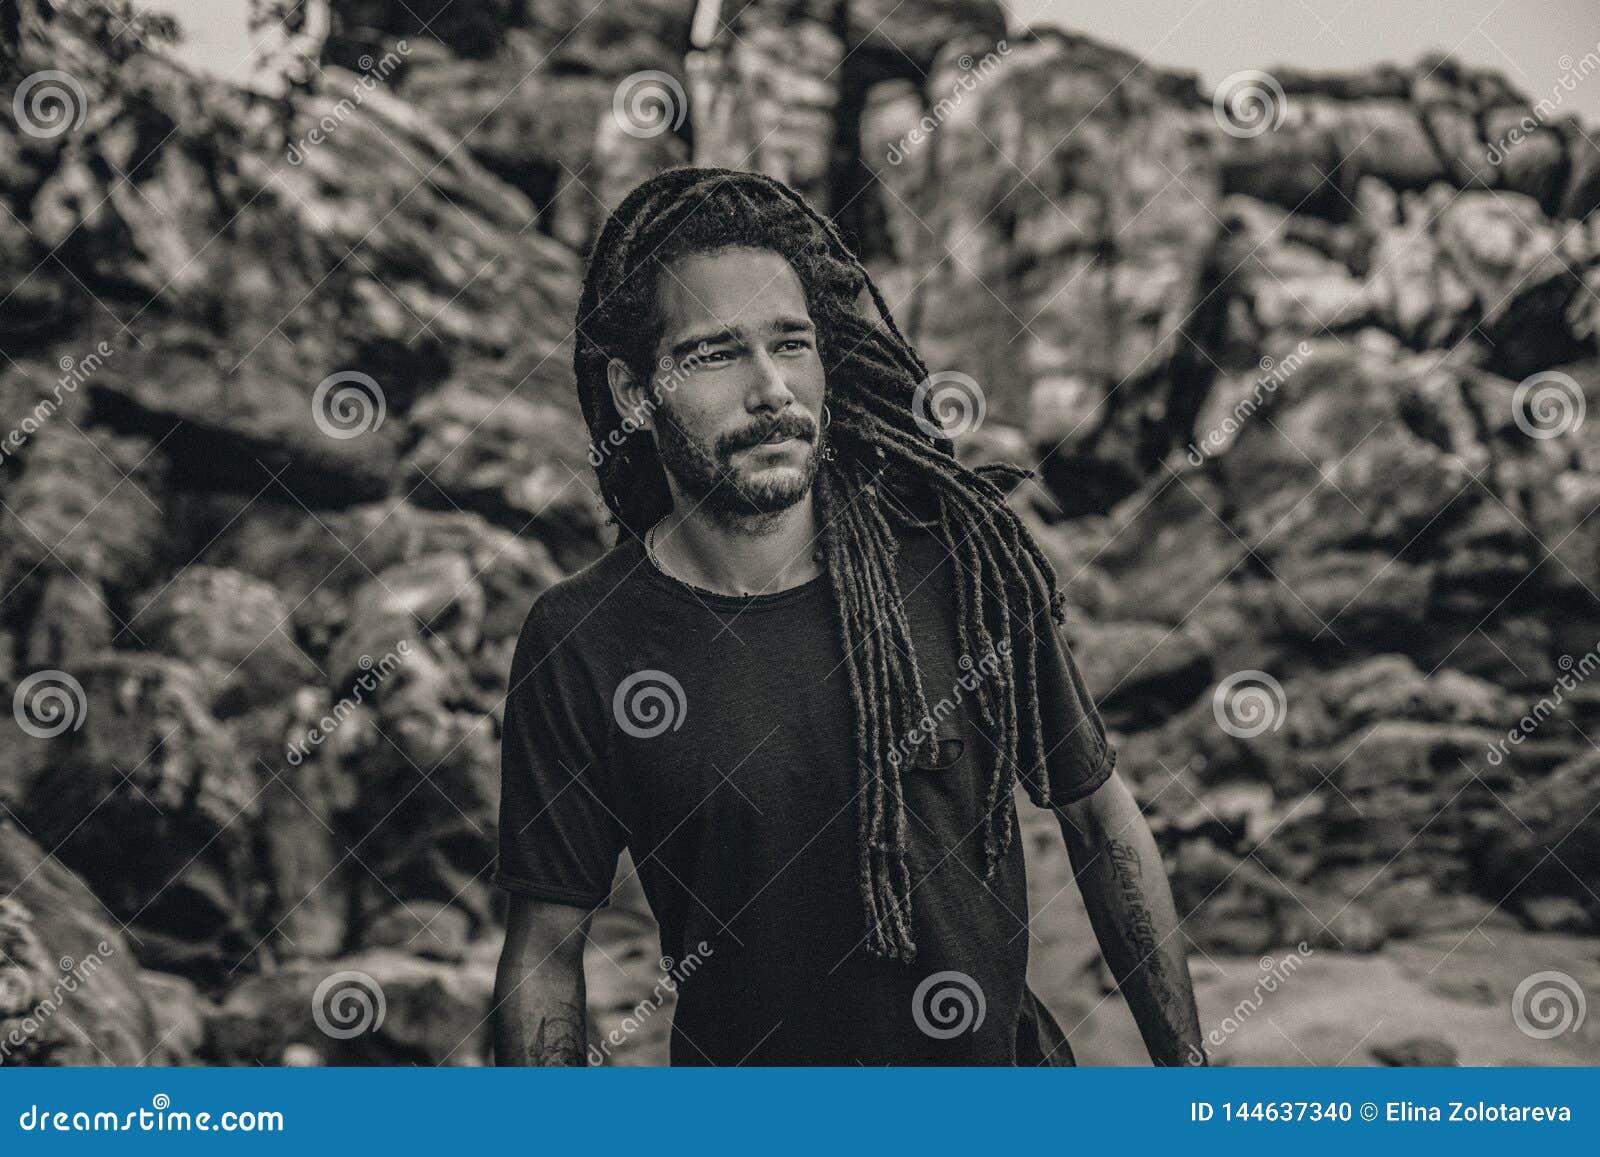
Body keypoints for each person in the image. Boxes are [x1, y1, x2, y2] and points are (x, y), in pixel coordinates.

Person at [491, 166, 1205, 1066]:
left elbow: (1101, 821)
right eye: (716, 353)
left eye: (791, 343)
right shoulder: (584, 642)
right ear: (637, 392)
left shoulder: (956, 559)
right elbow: (547, 949)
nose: (771, 390)